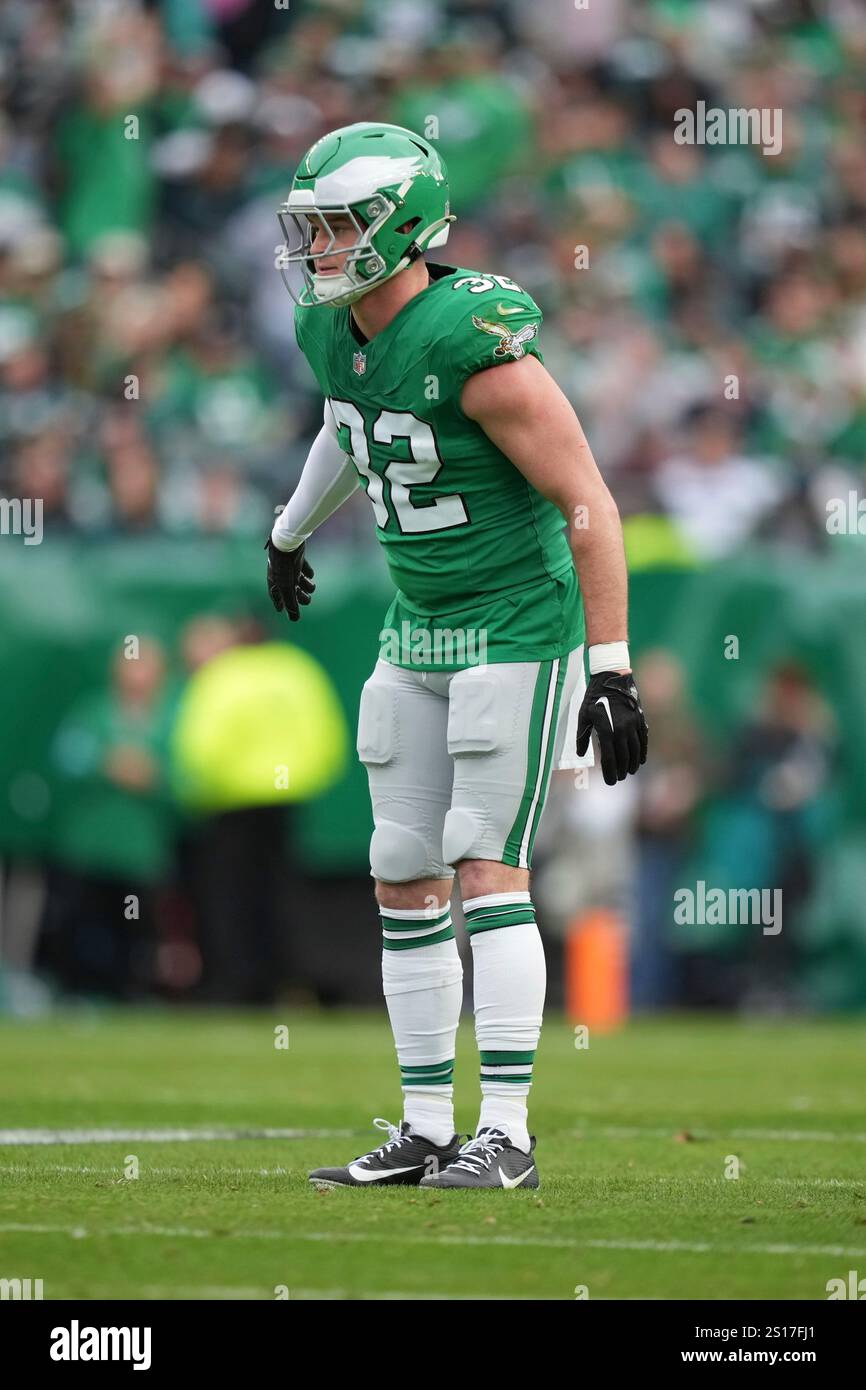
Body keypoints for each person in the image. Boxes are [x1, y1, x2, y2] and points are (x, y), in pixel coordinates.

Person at [265, 122, 648, 1190]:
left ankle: (508, 1134)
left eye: (338, 225)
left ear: (401, 225)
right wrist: (289, 530)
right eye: (312, 227)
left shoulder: (473, 343)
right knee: (400, 869)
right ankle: (426, 1125)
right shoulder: (328, 330)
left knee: (487, 861)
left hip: (514, 626)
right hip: (415, 621)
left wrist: (609, 667)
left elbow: (589, 503)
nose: (319, 247)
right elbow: (350, 429)